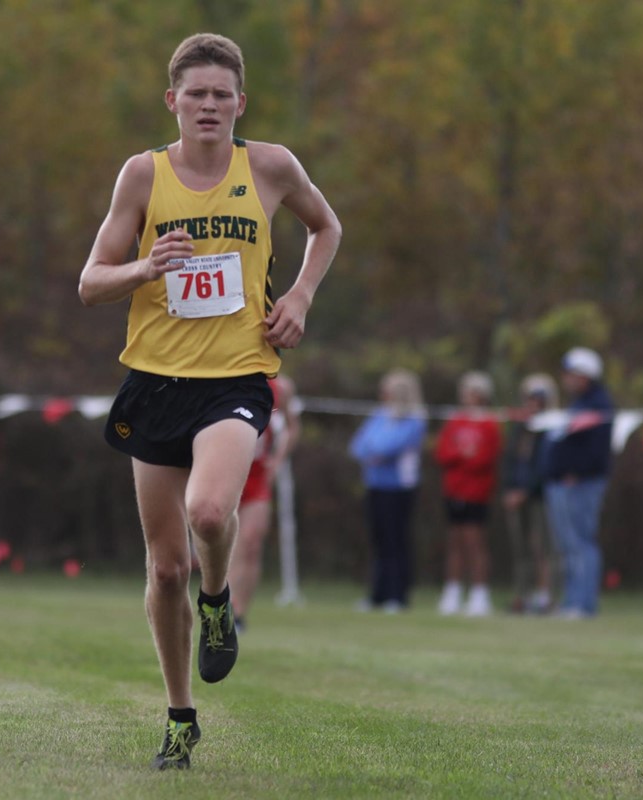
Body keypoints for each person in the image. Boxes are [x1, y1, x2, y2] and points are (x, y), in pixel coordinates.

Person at [78, 33, 341, 770]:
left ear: (240, 104)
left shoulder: (271, 166)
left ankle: (218, 600)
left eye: (222, 94)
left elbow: (327, 227)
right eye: (196, 93)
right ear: (173, 101)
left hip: (237, 377)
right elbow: (89, 283)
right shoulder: (142, 176)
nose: (209, 105)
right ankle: (179, 716)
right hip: (156, 381)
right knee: (164, 569)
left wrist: (300, 294)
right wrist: (143, 266)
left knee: (207, 513)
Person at [348, 370, 428, 613]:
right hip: (375, 485)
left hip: (399, 489)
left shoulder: (415, 420)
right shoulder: (380, 415)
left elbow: (388, 447)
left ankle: (398, 595)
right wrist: (375, 450)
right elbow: (358, 446)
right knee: (379, 541)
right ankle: (378, 595)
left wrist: (377, 448)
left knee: (396, 541)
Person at [543, 347, 614, 619]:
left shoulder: (599, 404)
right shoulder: (578, 404)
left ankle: (583, 604)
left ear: (585, 376)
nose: (566, 379)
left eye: (571, 374)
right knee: (568, 546)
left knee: (581, 543)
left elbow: (595, 451)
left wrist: (576, 472)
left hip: (581, 484)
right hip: (563, 483)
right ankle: (572, 600)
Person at [228, 373, 301, 631]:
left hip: (257, 475)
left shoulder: (281, 385)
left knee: (251, 541)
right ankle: (217, 606)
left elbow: (292, 427)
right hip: (224, 471)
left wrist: (277, 460)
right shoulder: (223, 372)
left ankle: (238, 614)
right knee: (223, 543)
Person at [434, 371, 502, 617]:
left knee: (475, 543)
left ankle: (479, 595)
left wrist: (465, 455)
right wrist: (463, 453)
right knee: (454, 542)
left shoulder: (490, 423)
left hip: (477, 492)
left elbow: (485, 458)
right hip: (453, 489)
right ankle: (451, 593)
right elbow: (443, 453)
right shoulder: (454, 421)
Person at [501, 373, 558, 614]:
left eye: (538, 398)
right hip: (516, 494)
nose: (533, 403)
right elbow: (510, 460)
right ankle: (521, 596)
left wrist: (525, 491)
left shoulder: (551, 427)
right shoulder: (518, 427)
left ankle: (545, 596)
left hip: (540, 495)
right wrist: (509, 490)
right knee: (520, 548)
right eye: (529, 398)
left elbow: (545, 465)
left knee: (542, 547)